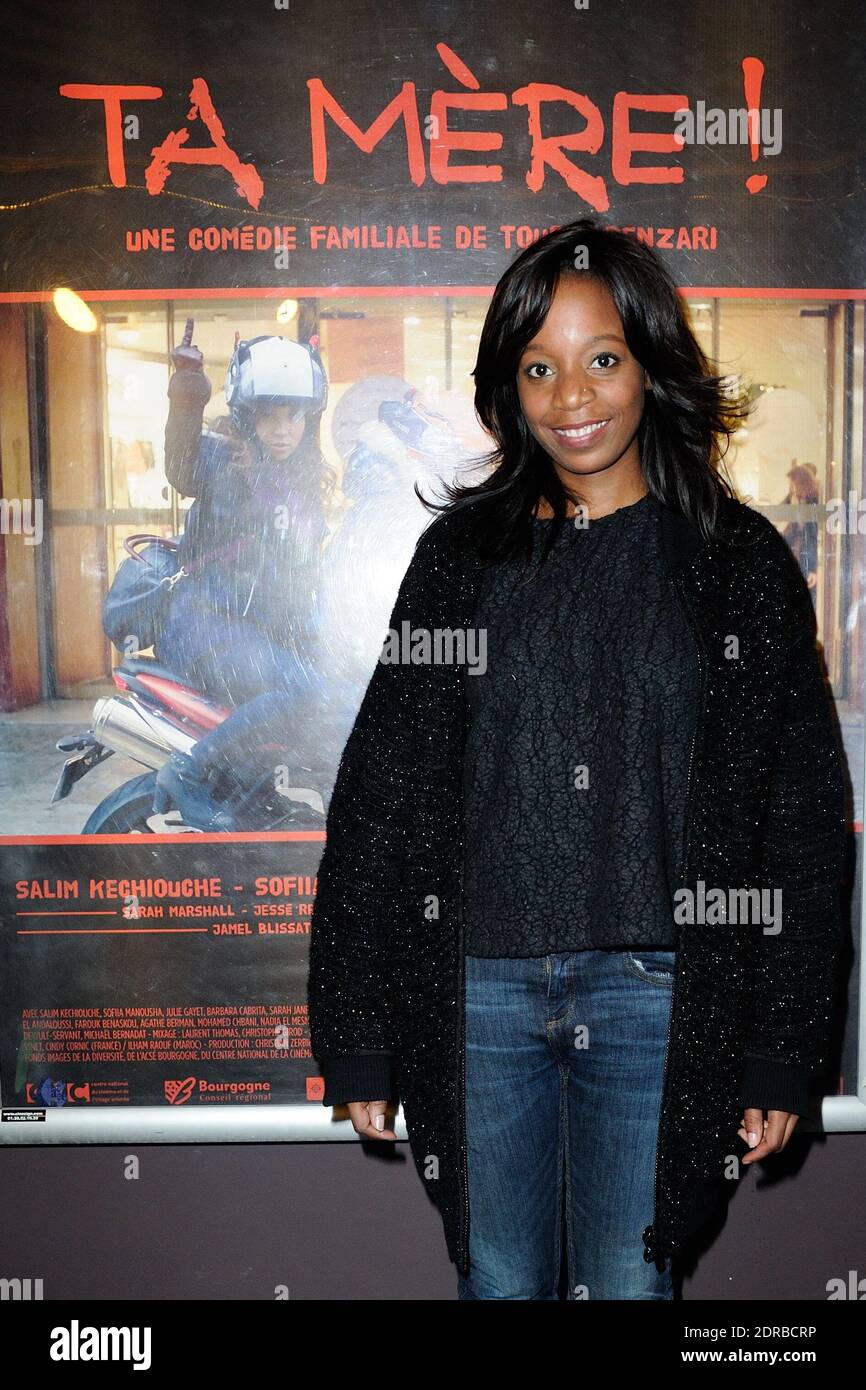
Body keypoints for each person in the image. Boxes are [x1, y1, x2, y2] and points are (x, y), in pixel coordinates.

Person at [306, 218, 848, 1300]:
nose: (572, 396)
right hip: (477, 993)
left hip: (660, 991)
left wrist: (783, 1048)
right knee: (499, 1283)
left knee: (627, 1287)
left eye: (601, 357)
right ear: (508, 385)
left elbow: (797, 823)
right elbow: (380, 795)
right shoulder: (457, 562)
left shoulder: (736, 567)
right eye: (537, 366)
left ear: (650, 360)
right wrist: (359, 1027)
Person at [153, 326, 341, 824]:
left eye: (293, 415)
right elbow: (179, 467)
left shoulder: (301, 482)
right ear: (246, 417)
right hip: (201, 624)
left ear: (309, 418)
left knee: (334, 684)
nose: (282, 429)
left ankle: (254, 790)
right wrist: (188, 390)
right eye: (267, 415)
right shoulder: (221, 460)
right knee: (302, 688)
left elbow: (302, 577)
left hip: (247, 627)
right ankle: (188, 773)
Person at [782, 463, 820, 607]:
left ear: (802, 484)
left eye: (794, 485)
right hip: (803, 559)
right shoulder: (802, 502)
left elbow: (811, 536)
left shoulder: (811, 504)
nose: (793, 489)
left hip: (806, 561)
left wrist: (811, 567)